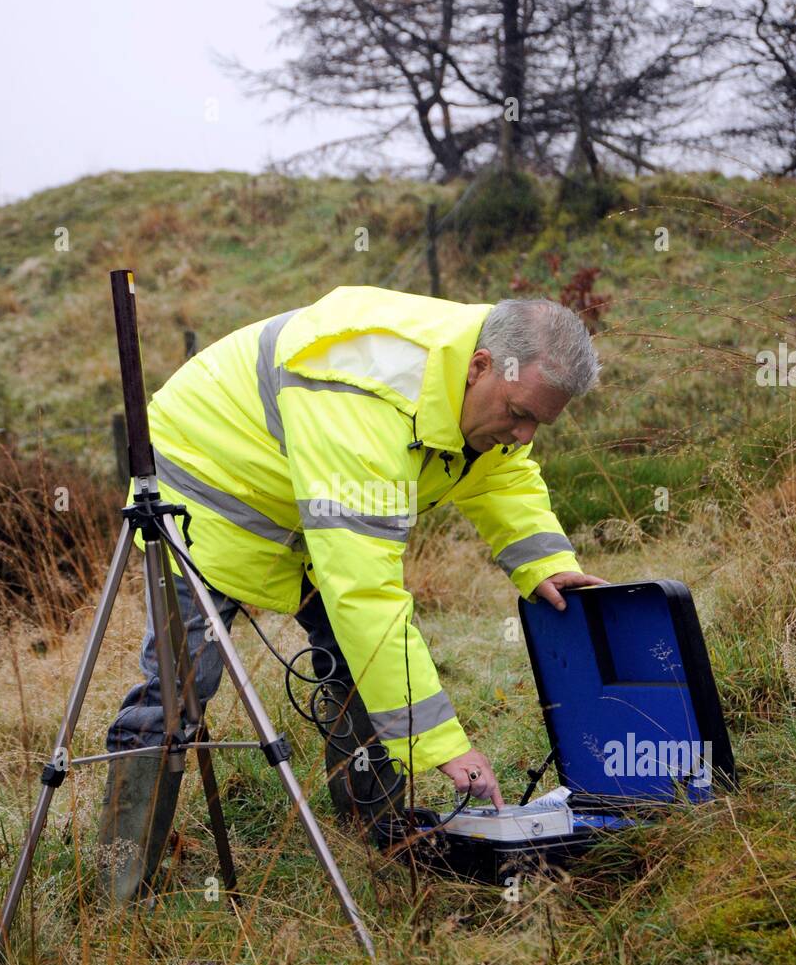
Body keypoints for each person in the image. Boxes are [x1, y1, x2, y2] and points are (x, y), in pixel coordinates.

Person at [97, 285, 604, 901]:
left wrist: (544, 561)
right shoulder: (366, 393)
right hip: (204, 490)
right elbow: (365, 593)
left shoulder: (482, 365)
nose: (523, 435)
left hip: (303, 492)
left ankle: (381, 835)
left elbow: (500, 472)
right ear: (480, 367)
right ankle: (118, 892)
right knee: (179, 692)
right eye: (519, 414)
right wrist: (443, 747)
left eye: (537, 424)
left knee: (359, 665)